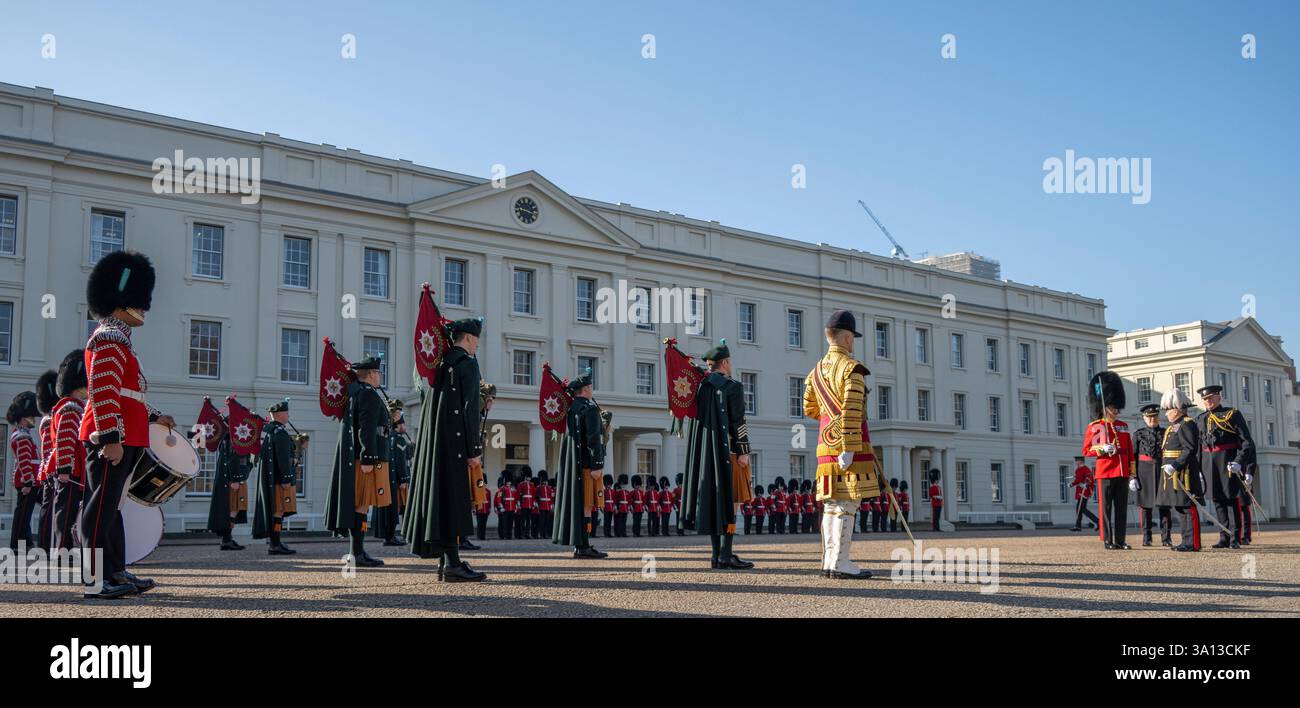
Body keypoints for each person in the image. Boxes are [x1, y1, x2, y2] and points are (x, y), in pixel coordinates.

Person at [80, 250, 171, 599]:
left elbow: (126, 394)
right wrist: (111, 438)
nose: (144, 307)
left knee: (112, 507)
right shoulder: (107, 338)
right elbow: (103, 393)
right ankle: (94, 579)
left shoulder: (121, 342)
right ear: (121, 301)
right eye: (138, 300)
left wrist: (152, 417)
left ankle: (114, 570)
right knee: (100, 507)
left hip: (126, 433)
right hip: (112, 438)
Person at [403, 317, 488, 582]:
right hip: (457, 444)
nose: (477, 345)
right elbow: (469, 410)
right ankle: (452, 563)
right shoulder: (467, 364)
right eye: (476, 340)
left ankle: (445, 561)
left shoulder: (439, 365)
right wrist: (474, 449)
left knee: (442, 499)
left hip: (437, 443)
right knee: (455, 501)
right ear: (470, 338)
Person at [803, 311, 882, 579]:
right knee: (848, 504)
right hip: (849, 444)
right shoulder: (852, 368)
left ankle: (828, 561)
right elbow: (851, 409)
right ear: (847, 338)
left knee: (830, 505)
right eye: (853, 338)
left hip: (825, 443)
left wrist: (831, 424)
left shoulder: (815, 371)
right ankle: (841, 561)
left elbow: (809, 407)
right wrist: (848, 444)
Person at [678, 339, 754, 569]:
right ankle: (726, 553)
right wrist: (743, 450)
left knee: (713, 505)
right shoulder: (733, 386)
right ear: (725, 362)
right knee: (731, 506)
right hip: (729, 453)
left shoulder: (701, 386)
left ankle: (716, 555)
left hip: (705, 455)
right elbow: (738, 421)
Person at [323, 355, 392, 568]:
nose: (379, 376)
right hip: (368, 457)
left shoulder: (357, 393)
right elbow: (367, 427)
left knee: (361, 504)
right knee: (362, 503)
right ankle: (357, 552)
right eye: (378, 373)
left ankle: (357, 551)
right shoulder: (369, 394)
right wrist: (368, 456)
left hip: (359, 456)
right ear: (371, 374)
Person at [551, 371, 609, 559]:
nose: (592, 390)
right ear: (586, 389)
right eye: (590, 387)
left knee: (579, 505)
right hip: (587, 466)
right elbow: (594, 439)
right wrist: (597, 464)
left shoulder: (571, 408)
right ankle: (584, 545)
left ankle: (580, 544)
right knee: (587, 505)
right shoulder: (590, 409)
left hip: (574, 464)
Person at [1194, 384, 1256, 549]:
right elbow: (1199, 446)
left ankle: (1235, 537)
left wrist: (1239, 461)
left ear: (1219, 397)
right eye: (1205, 399)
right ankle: (1224, 536)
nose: (1208, 401)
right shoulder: (1200, 419)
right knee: (1217, 500)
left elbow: (1246, 442)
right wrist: (1199, 468)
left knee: (1231, 500)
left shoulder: (1232, 414)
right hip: (1209, 463)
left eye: (1211, 398)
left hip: (1227, 461)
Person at [1083, 371, 1135, 550]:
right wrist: (1102, 449)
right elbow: (1087, 450)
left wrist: (1132, 475)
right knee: (1106, 509)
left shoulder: (1123, 426)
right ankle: (1108, 540)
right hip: (1105, 472)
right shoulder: (1096, 426)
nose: (1116, 411)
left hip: (1122, 473)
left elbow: (1129, 452)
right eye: (1113, 407)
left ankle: (1120, 540)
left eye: (1117, 408)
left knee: (1121, 509)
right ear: (1105, 407)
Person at [50, 350, 89, 551]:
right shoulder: (71, 409)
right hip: (71, 470)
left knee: (67, 511)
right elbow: (65, 441)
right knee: (65, 512)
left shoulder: (70, 407)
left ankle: (62, 548)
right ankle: (62, 550)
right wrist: (64, 468)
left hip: (72, 469)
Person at [252, 398, 299, 555]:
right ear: (278, 415)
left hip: (272, 479)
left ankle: (276, 542)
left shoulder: (268, 431)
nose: (288, 415)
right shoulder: (280, 433)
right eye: (286, 412)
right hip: (280, 480)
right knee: (278, 511)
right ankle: (275, 544)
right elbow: (283, 458)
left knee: (276, 511)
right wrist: (286, 478)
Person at [1159, 389, 1204, 552]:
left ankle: (1193, 542)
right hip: (1174, 475)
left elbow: (1189, 449)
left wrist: (1175, 465)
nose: (1166, 414)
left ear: (1177, 409)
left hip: (1184, 473)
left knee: (1187, 508)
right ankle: (1186, 540)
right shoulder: (1174, 427)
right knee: (1180, 507)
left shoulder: (1187, 424)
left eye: (1168, 410)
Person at [206, 410, 251, 552]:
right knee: (233, 509)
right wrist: (236, 479)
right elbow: (233, 459)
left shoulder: (228, 437)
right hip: (233, 481)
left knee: (233, 509)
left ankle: (228, 539)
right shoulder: (232, 438)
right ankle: (226, 540)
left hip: (232, 479)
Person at [372, 399, 409, 547]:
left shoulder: (389, 436)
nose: (404, 426)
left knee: (388, 509)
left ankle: (388, 536)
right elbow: (401, 462)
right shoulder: (399, 439)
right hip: (394, 479)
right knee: (394, 509)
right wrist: (404, 478)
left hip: (385, 478)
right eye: (402, 423)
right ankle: (391, 536)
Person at [8, 391, 40, 552]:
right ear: (23, 417)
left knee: (25, 513)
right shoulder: (21, 436)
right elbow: (24, 461)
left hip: (30, 479)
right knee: (23, 514)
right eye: (31, 416)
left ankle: (26, 542)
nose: (33, 419)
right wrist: (28, 481)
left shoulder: (23, 434)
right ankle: (18, 545)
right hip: (27, 480)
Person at [1133, 404, 1170, 546]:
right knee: (1145, 506)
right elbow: (1133, 457)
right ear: (1144, 418)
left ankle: (1166, 538)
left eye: (1154, 416)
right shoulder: (1138, 434)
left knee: (1164, 505)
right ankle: (1146, 537)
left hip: (1161, 469)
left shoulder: (1166, 432)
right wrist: (1133, 476)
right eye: (1149, 417)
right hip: (1144, 471)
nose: (1152, 419)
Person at [34, 369, 59, 551]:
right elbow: (49, 447)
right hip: (50, 468)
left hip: (49, 467)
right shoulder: (49, 420)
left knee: (49, 508)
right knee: (49, 509)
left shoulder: (49, 418)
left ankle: (46, 545)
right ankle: (44, 546)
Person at [1069, 457, 1099, 531]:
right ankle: (1078, 525)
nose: (1076, 462)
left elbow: (1079, 480)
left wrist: (1071, 484)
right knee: (1081, 509)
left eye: (1076, 461)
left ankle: (1097, 521)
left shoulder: (1081, 469)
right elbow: (1082, 478)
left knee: (1080, 509)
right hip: (1084, 492)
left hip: (1082, 492)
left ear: (1080, 461)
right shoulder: (1085, 469)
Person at [517, 467, 536, 540]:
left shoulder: (531, 485)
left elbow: (533, 495)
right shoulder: (521, 484)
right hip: (524, 504)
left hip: (530, 504)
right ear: (525, 477)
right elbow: (519, 494)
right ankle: (522, 534)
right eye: (527, 477)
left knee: (528, 520)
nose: (529, 479)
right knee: (523, 520)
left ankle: (527, 534)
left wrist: (533, 502)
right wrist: (518, 502)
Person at [537, 470, 555, 538]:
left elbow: (552, 497)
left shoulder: (549, 488)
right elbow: (537, 496)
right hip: (542, 506)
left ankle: (546, 534)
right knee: (542, 521)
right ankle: (541, 534)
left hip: (548, 506)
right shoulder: (539, 488)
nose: (545, 482)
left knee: (547, 521)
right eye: (544, 481)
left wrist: (552, 504)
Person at [601, 473, 616, 537]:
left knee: (609, 522)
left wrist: (614, 507)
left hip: (611, 507)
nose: (609, 486)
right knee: (606, 522)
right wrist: (602, 508)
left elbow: (614, 500)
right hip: (606, 507)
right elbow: (602, 500)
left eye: (610, 484)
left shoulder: (613, 491)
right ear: (605, 484)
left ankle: (609, 533)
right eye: (607, 484)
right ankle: (606, 533)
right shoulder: (604, 491)